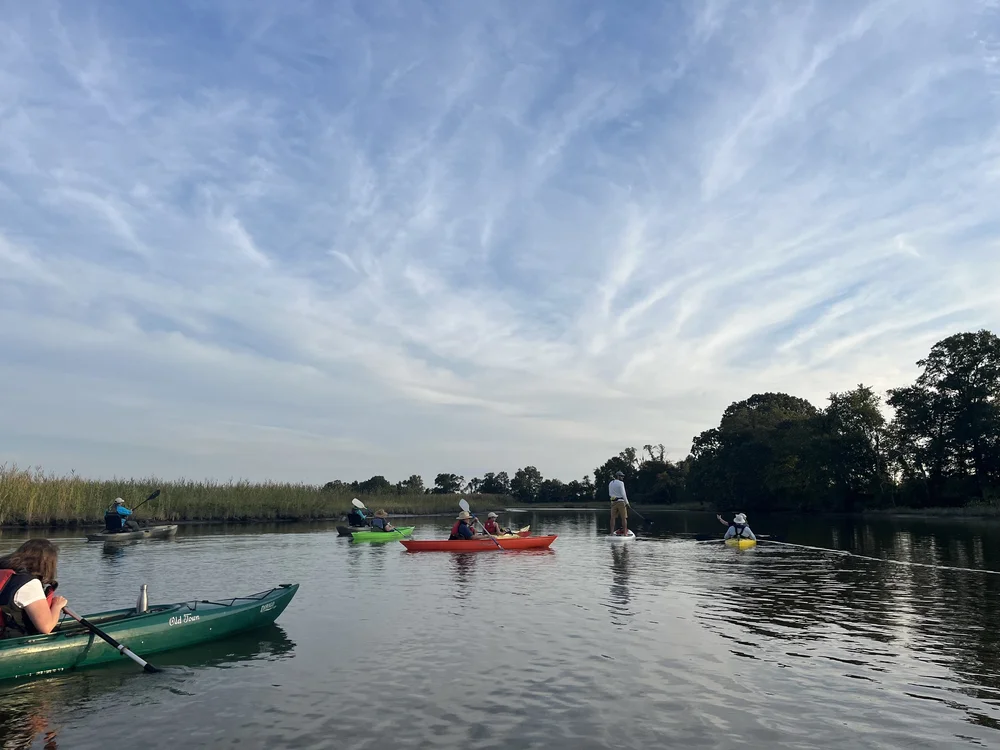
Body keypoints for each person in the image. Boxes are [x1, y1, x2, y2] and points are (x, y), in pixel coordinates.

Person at [0, 539, 68, 639]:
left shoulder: (4, 571)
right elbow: (46, 628)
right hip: (11, 640)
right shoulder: (29, 584)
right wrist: (57, 606)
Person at [608, 470, 629, 535]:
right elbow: (623, 494)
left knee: (612, 518)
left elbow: (610, 494)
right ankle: (625, 533)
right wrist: (627, 503)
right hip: (621, 502)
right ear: (618, 476)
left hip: (613, 502)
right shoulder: (621, 483)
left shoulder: (610, 483)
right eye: (621, 476)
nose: (622, 477)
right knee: (624, 518)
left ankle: (611, 533)